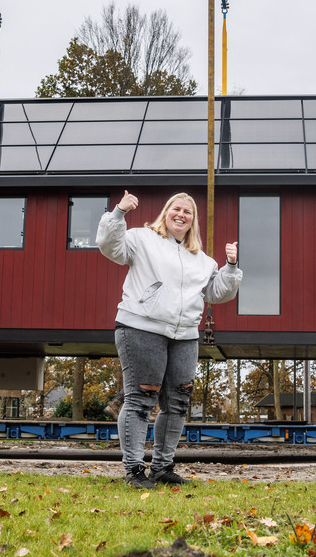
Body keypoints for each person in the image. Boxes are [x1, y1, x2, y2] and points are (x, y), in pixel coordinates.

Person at [97, 191, 242, 489]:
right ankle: (134, 470)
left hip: (185, 335)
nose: (181, 215)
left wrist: (229, 267)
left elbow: (217, 294)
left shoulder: (202, 261)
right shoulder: (142, 239)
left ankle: (162, 467)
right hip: (141, 327)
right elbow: (110, 247)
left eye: (187, 212)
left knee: (177, 403)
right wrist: (119, 213)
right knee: (140, 400)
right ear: (166, 212)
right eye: (176, 209)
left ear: (193, 221)